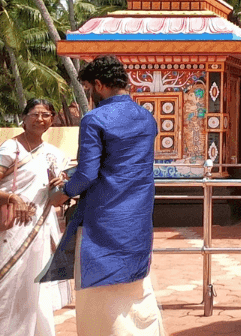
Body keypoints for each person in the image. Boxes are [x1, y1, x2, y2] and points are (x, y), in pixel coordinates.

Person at [41, 55, 166, 336]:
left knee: (100, 299)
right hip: (137, 220)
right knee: (136, 291)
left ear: (98, 84)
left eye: (88, 88)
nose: (89, 94)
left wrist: (63, 192)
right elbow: (118, 163)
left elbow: (88, 173)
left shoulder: (94, 119)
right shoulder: (146, 117)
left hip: (103, 220)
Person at [0, 99, 72, 336]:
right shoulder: (10, 150)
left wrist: (62, 186)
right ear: (24, 117)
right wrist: (11, 198)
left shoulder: (55, 156)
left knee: (35, 295)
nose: (40, 119)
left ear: (52, 120)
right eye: (35, 114)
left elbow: (57, 199)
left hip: (39, 234)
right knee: (2, 295)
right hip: (10, 232)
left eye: (47, 115)